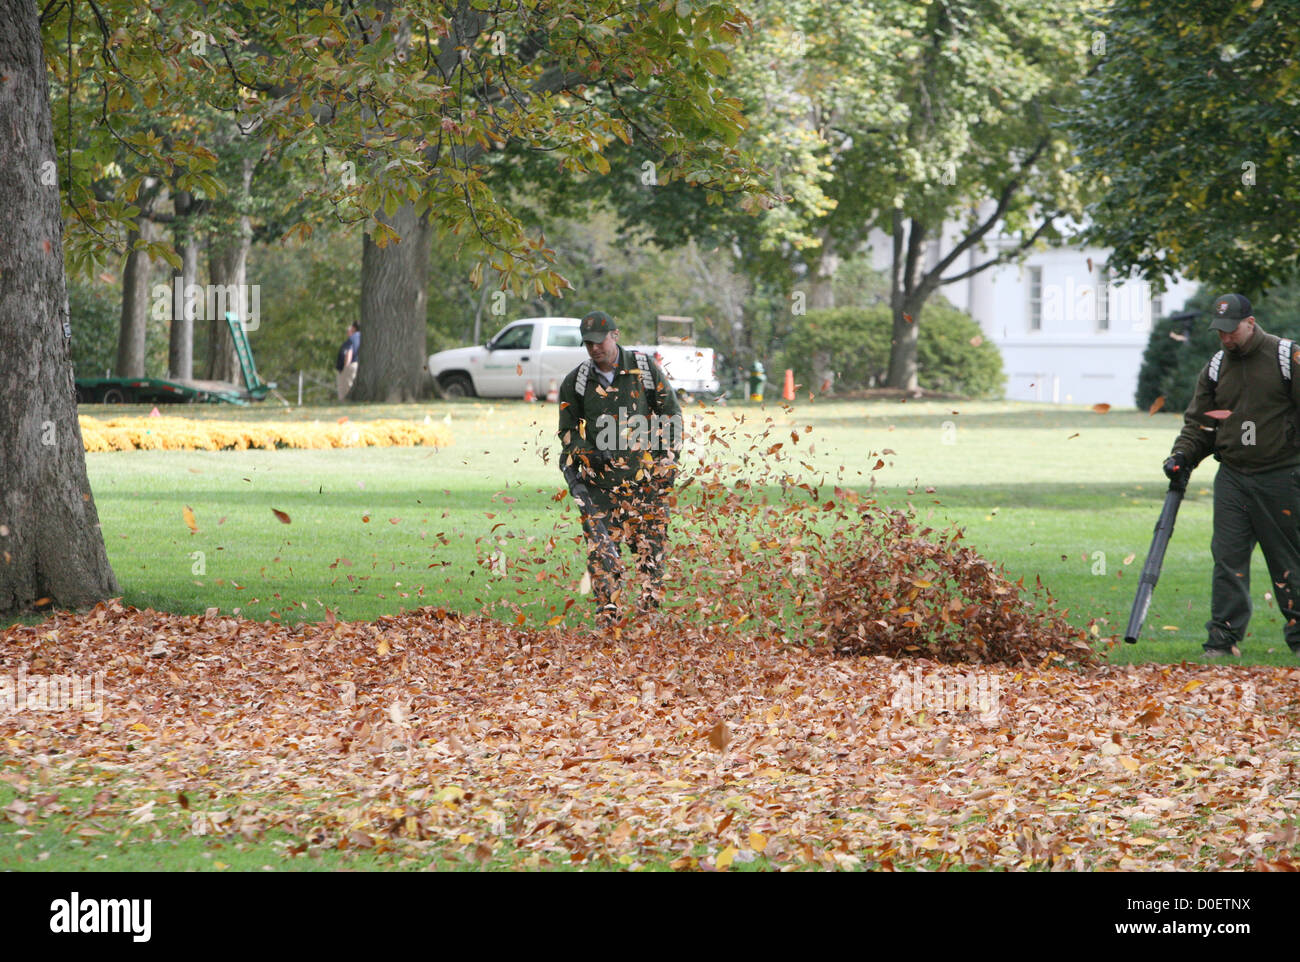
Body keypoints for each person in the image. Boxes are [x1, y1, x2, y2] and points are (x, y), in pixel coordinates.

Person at [1164, 293, 1300, 660]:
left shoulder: (1288, 357)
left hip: (1282, 476)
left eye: (1231, 330)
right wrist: (1181, 455)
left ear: (1250, 323)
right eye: (1220, 332)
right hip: (1233, 477)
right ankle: (1223, 641)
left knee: (1289, 561)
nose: (1226, 338)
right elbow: (1201, 424)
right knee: (1227, 559)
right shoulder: (1216, 367)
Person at [557, 310, 683, 626]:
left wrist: (666, 461)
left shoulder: (644, 370)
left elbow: (671, 415)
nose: (594, 348)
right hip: (598, 487)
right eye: (588, 343)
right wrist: (586, 452)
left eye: (599, 341)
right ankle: (608, 618)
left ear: (615, 335)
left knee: (650, 551)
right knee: (601, 554)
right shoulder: (577, 381)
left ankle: (648, 617)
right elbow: (567, 430)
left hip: (644, 483)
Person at [335, 322, 360, 400]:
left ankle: (345, 402)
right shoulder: (362, 337)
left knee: (345, 389)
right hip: (356, 365)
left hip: (349, 366)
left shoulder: (352, 339)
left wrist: (346, 367)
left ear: (354, 328)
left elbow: (349, 352)